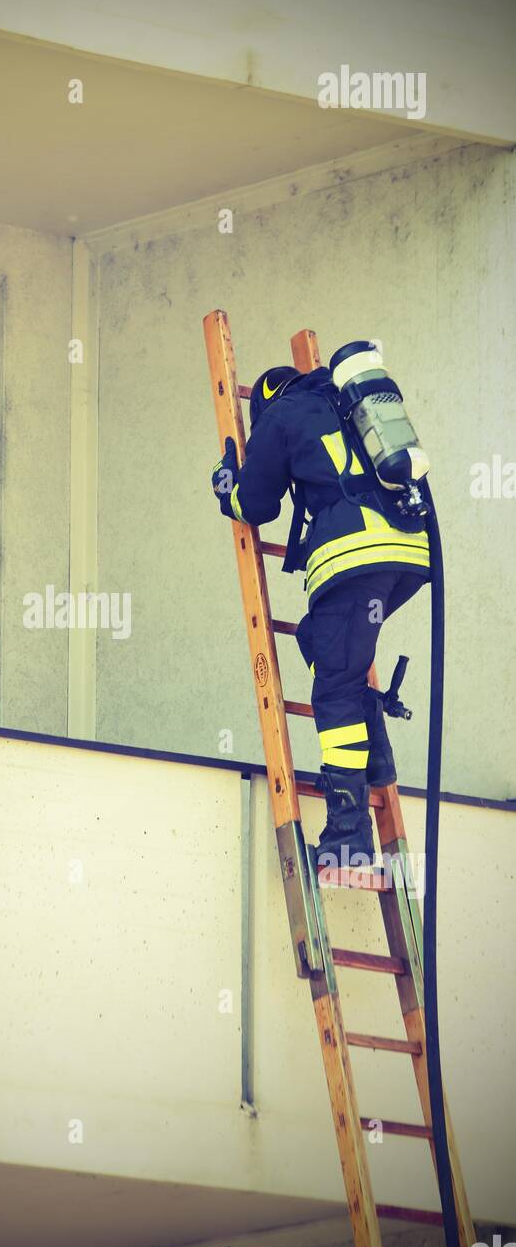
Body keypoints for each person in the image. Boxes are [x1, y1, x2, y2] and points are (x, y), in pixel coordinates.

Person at [211, 363, 430, 869]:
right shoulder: (346, 406)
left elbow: (254, 504)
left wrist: (227, 483)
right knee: (320, 640)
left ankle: (349, 835)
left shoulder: (281, 414)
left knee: (333, 687)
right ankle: (373, 749)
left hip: (356, 558)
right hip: (406, 558)